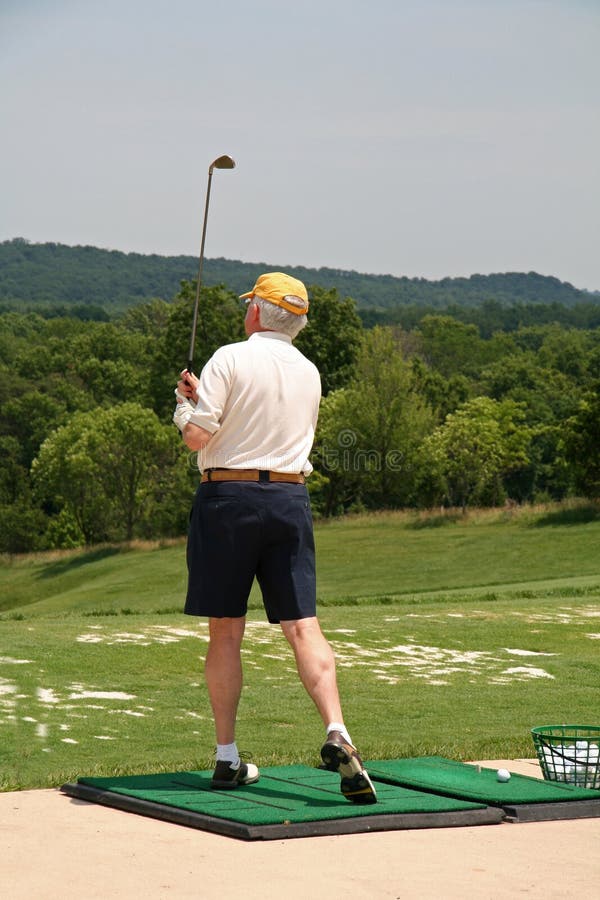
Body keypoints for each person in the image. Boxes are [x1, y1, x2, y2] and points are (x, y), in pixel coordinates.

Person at [173, 272, 376, 804]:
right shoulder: (309, 372)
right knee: (303, 626)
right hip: (289, 501)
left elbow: (198, 435)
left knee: (225, 630)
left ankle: (226, 759)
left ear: (258, 312)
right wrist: (207, 404)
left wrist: (184, 406)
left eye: (249, 306)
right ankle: (339, 731)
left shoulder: (229, 357)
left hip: (228, 501)